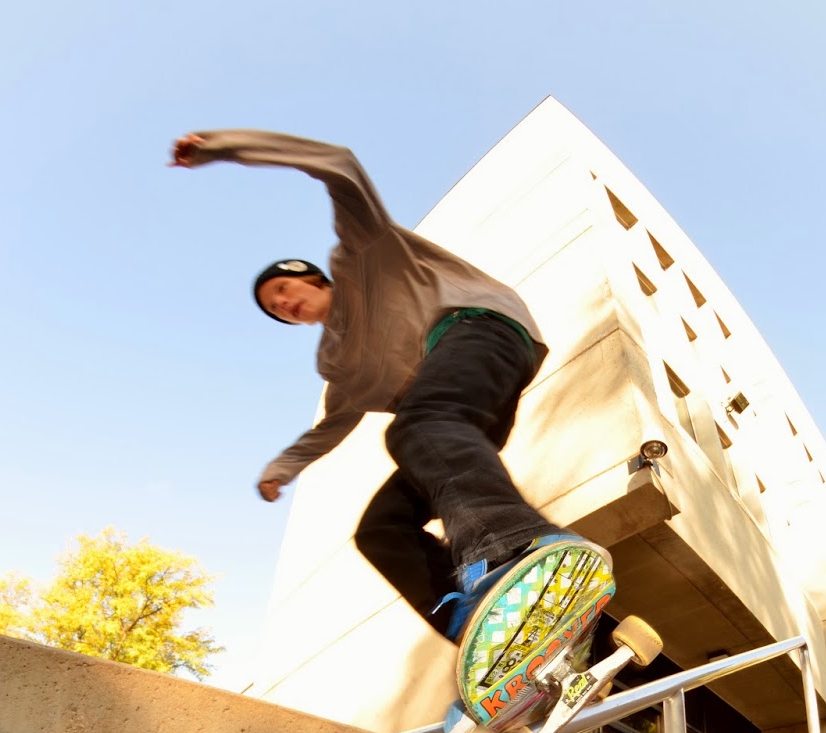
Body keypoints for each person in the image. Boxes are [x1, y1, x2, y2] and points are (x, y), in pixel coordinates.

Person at [169, 128, 580, 641]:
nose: (284, 305)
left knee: (416, 426)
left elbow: (338, 163)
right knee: (381, 530)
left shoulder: (363, 255)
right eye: (276, 310)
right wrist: (282, 469)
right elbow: (333, 424)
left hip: (484, 332)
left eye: (283, 289)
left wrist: (222, 148)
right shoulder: (337, 364)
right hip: (462, 424)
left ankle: (516, 545)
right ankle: (491, 629)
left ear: (311, 276)